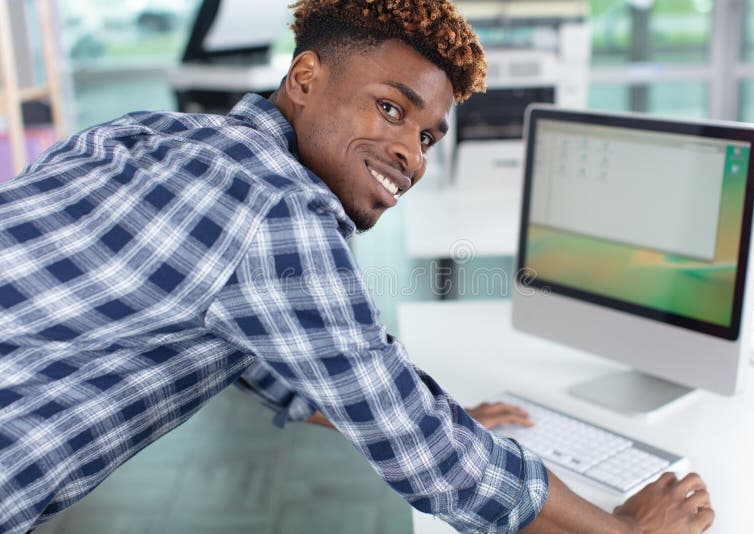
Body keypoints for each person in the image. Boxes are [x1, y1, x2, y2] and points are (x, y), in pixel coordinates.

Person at [0, 1, 714, 532]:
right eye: (390, 108)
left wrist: (404, 411)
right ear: (305, 78)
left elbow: (266, 354)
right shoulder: (276, 210)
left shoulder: (143, 132)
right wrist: (622, 531)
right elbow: (432, 462)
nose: (413, 153)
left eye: (429, 134)